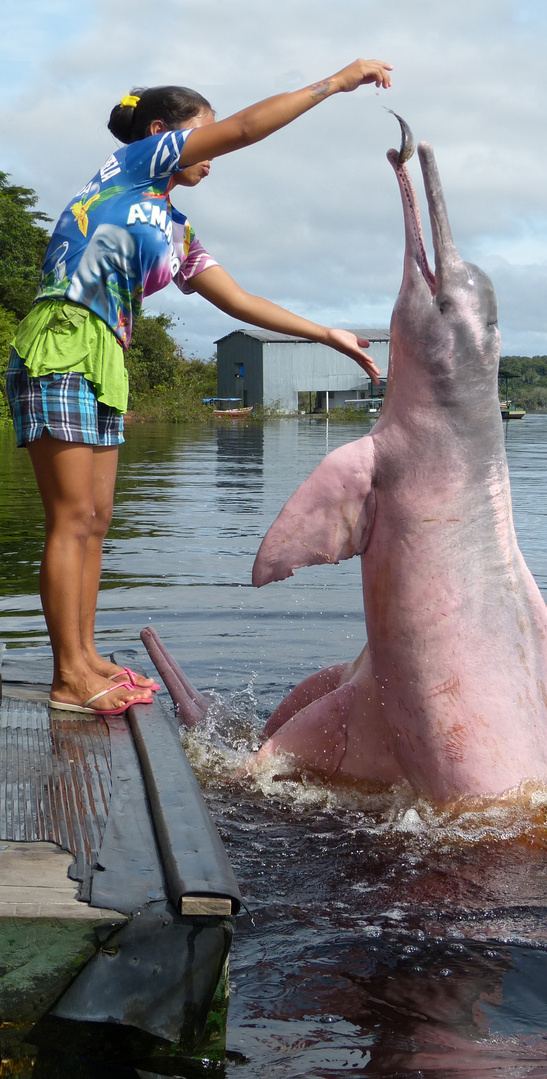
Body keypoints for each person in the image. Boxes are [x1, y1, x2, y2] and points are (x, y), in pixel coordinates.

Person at [4, 58, 393, 716]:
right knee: (71, 519)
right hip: (64, 339)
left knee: (96, 522)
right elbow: (243, 129)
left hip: (106, 357)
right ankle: (69, 675)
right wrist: (335, 82)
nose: (211, 156)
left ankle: (87, 654)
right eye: (201, 139)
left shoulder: (175, 228)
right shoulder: (134, 165)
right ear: (163, 133)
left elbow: (237, 300)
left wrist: (327, 334)